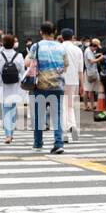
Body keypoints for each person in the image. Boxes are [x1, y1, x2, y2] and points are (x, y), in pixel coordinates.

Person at [26, 21, 67, 154]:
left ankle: (38, 143)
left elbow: (29, 63)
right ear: (54, 32)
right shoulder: (61, 47)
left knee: (38, 115)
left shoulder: (36, 46)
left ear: (41, 32)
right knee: (57, 115)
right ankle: (58, 143)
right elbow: (66, 66)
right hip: (58, 85)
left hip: (41, 86)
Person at [0, 34, 25, 144]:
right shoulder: (19, 55)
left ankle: (8, 135)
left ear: (2, 43)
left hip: (3, 86)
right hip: (15, 86)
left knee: (6, 109)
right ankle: (11, 133)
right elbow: (22, 72)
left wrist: (0, 73)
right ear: (14, 44)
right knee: (13, 109)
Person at [60, 27, 84, 142]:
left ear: (61, 37)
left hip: (61, 80)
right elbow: (81, 70)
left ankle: (64, 132)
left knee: (62, 107)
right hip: (74, 81)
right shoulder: (78, 50)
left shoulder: (59, 48)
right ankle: (73, 125)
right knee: (70, 106)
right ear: (72, 37)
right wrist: (82, 85)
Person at [82, 38, 102, 110]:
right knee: (87, 90)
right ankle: (85, 106)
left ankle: (92, 105)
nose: (96, 49)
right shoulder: (88, 51)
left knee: (91, 90)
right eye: (96, 47)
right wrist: (100, 58)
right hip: (89, 73)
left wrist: (98, 55)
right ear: (94, 45)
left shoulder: (90, 50)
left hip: (92, 72)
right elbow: (92, 61)